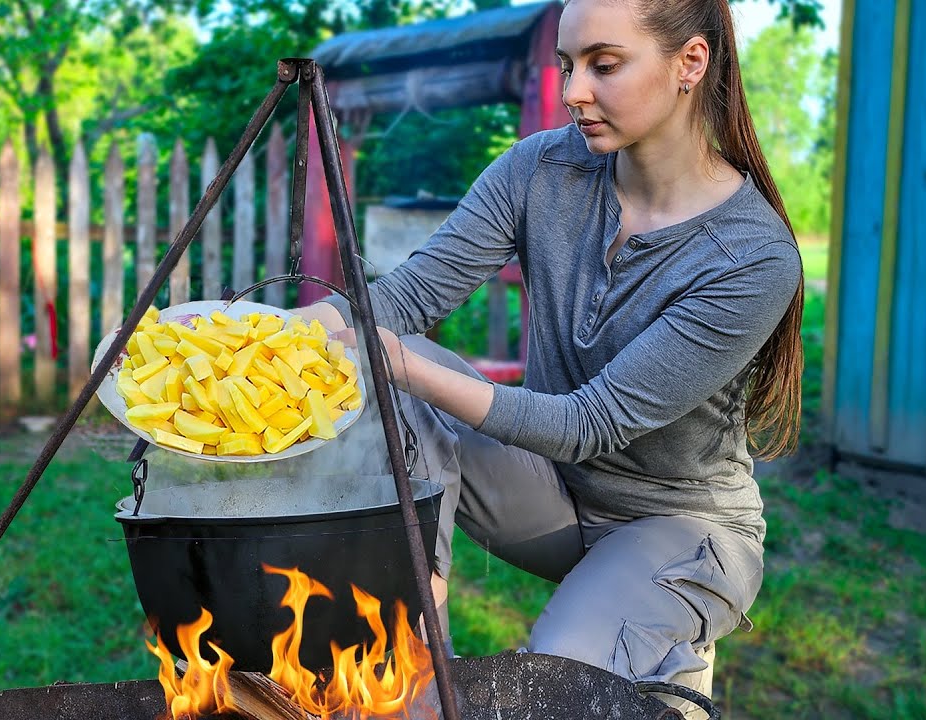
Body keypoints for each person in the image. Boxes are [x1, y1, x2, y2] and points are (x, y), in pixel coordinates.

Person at [295, 0, 805, 694]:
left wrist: (406, 362)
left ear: (690, 62)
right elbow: (408, 296)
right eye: (567, 66)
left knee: (553, 688)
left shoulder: (750, 256)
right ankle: (412, 665)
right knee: (381, 389)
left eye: (604, 64)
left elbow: (588, 424)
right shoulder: (541, 169)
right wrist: (263, 336)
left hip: (677, 527)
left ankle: (659, 658)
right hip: (549, 500)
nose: (573, 93)